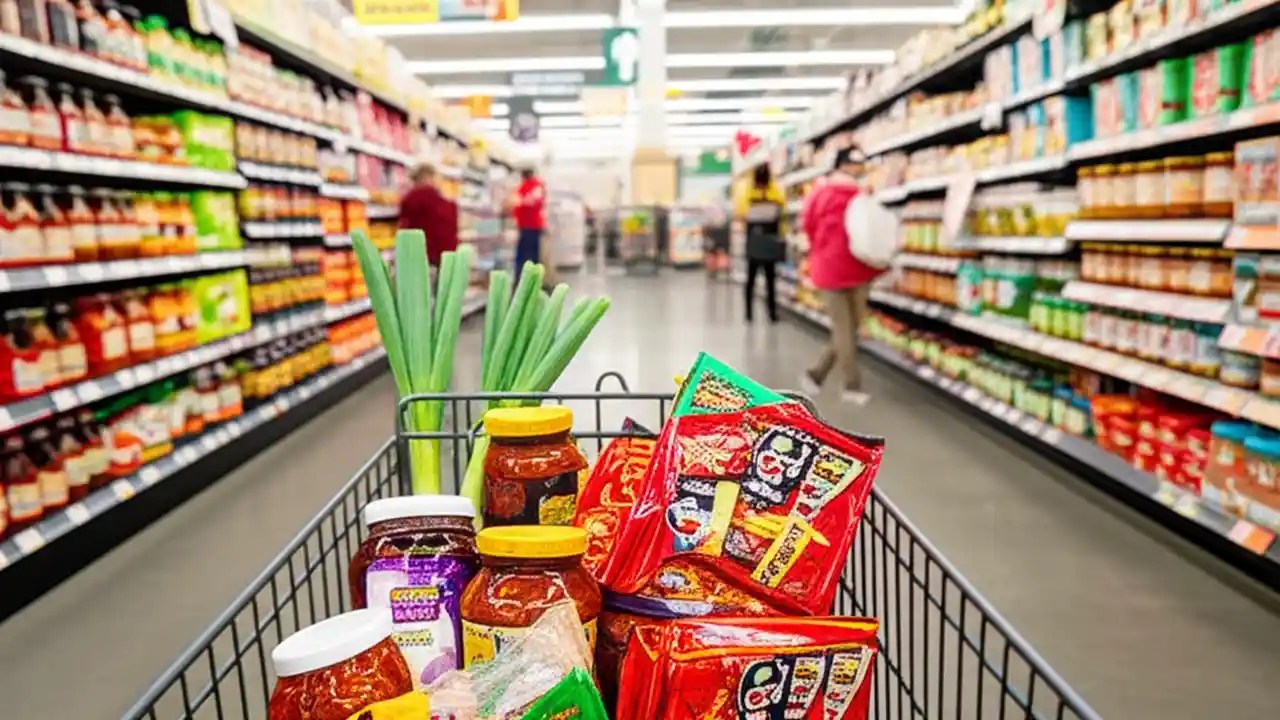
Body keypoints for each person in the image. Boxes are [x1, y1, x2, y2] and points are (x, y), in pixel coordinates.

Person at [798, 146, 882, 406]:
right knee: (848, 328)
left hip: (830, 267)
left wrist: (819, 250)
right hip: (857, 266)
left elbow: (807, 226)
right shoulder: (863, 195)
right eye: (857, 163)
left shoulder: (819, 194)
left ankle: (816, 375)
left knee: (845, 329)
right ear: (843, 165)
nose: (860, 168)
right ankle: (851, 385)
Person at [741, 164, 787, 322]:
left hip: (760, 239)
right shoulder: (752, 189)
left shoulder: (771, 189)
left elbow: (782, 206)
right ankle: (753, 313)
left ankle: (766, 313)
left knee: (762, 279)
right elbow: (741, 212)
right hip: (763, 239)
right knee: (760, 278)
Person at [398, 162, 457, 265]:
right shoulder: (439, 201)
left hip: (419, 255)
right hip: (444, 256)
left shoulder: (409, 199)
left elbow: (405, 227)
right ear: (428, 177)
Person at [513, 166, 547, 276]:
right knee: (527, 253)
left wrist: (520, 202)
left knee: (528, 254)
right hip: (527, 224)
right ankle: (526, 275)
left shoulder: (535, 187)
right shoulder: (529, 186)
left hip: (531, 225)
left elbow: (530, 202)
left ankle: (529, 276)